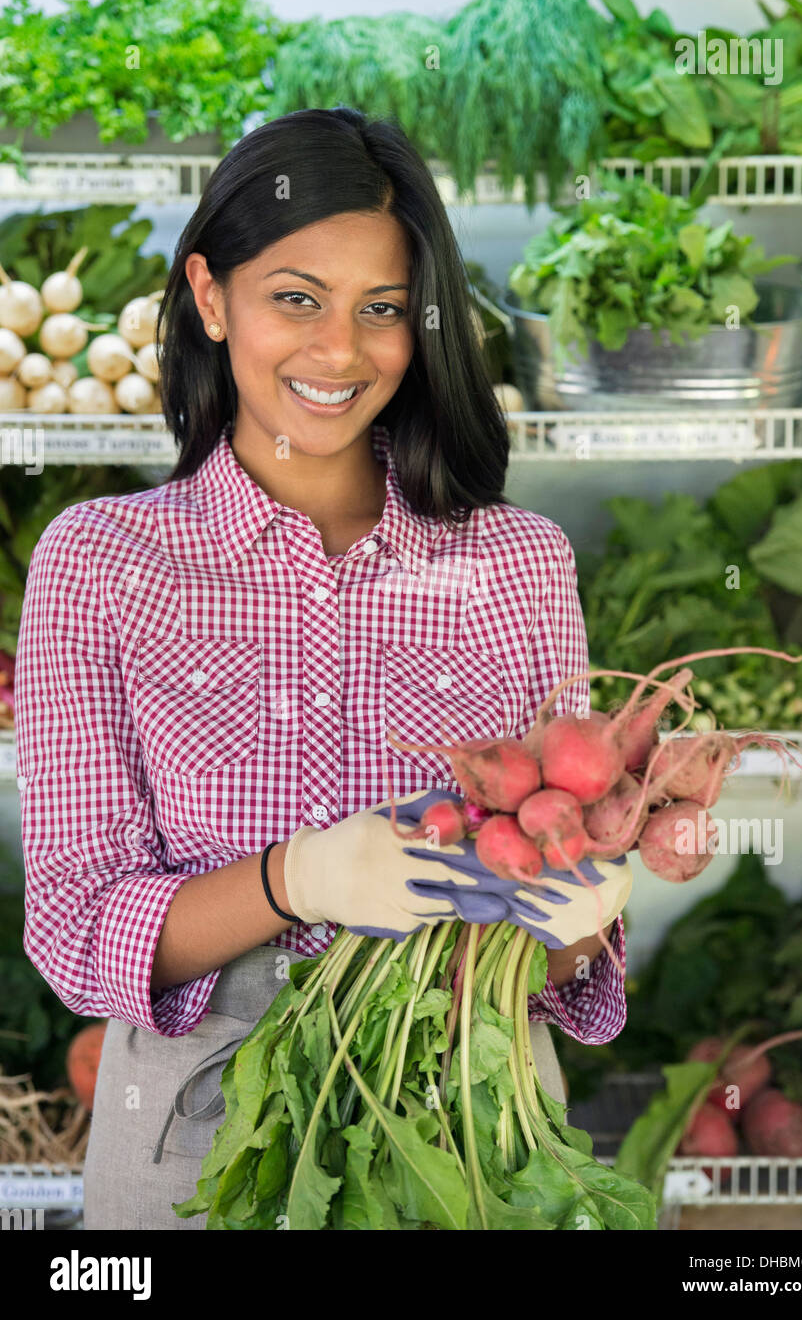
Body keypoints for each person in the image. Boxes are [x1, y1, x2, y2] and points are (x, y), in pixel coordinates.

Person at [15, 107, 632, 1231]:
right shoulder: (101, 563)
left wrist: (578, 914)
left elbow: (557, 920)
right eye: (295, 297)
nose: (340, 351)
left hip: (467, 1127)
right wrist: (288, 881)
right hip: (195, 1144)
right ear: (211, 296)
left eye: (383, 310)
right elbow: (72, 925)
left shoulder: (518, 562)